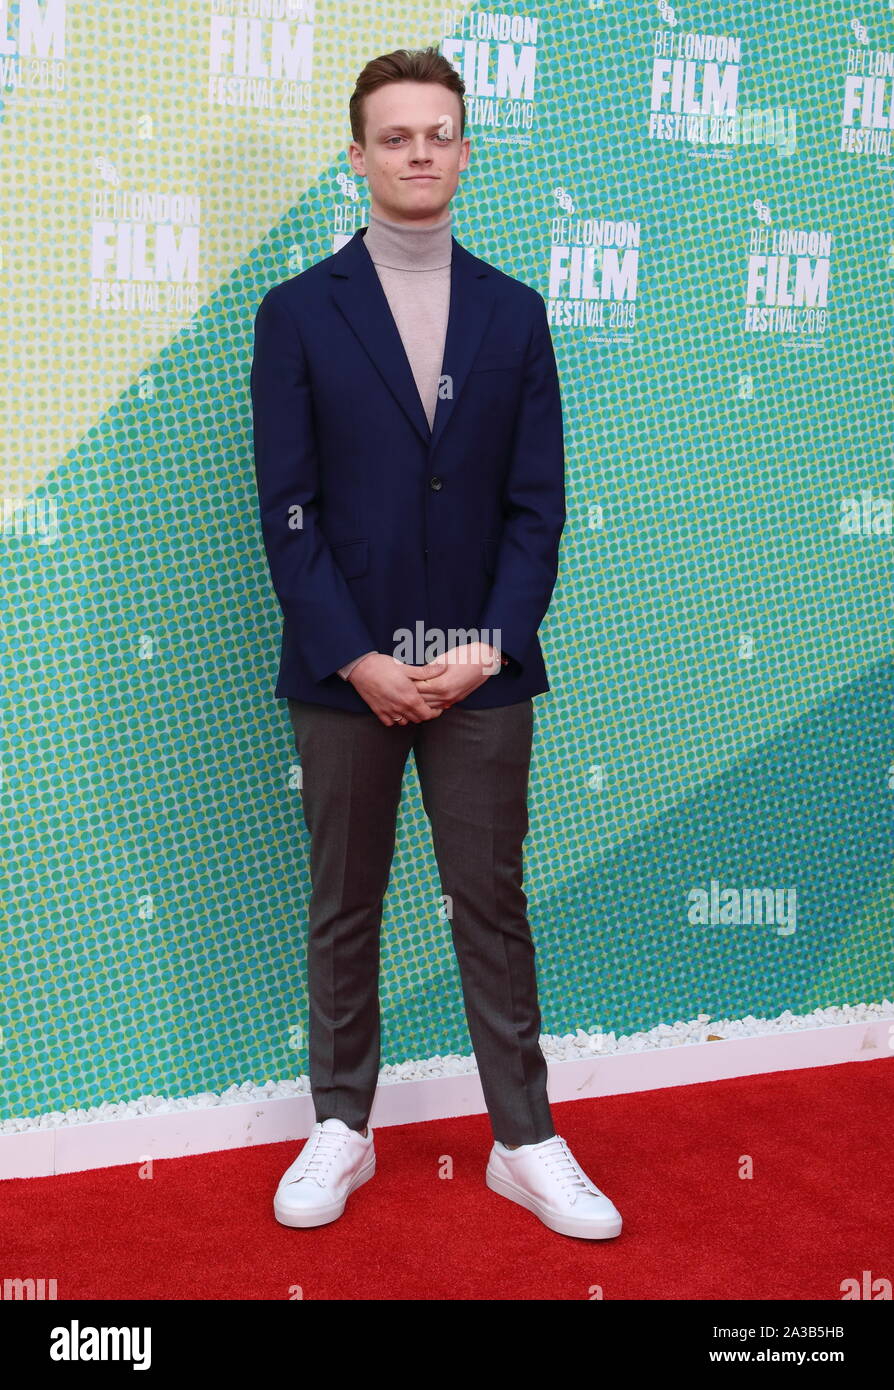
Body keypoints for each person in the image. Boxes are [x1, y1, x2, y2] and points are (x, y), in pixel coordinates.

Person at [250, 46, 622, 1241]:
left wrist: (487, 647)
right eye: (395, 135)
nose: (419, 152)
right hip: (343, 669)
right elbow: (287, 510)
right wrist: (358, 657)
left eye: (439, 133)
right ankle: (341, 1126)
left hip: (481, 672)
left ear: (466, 150)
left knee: (491, 902)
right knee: (342, 906)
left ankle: (525, 1139)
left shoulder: (515, 313)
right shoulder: (297, 312)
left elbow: (536, 507)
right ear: (356, 156)